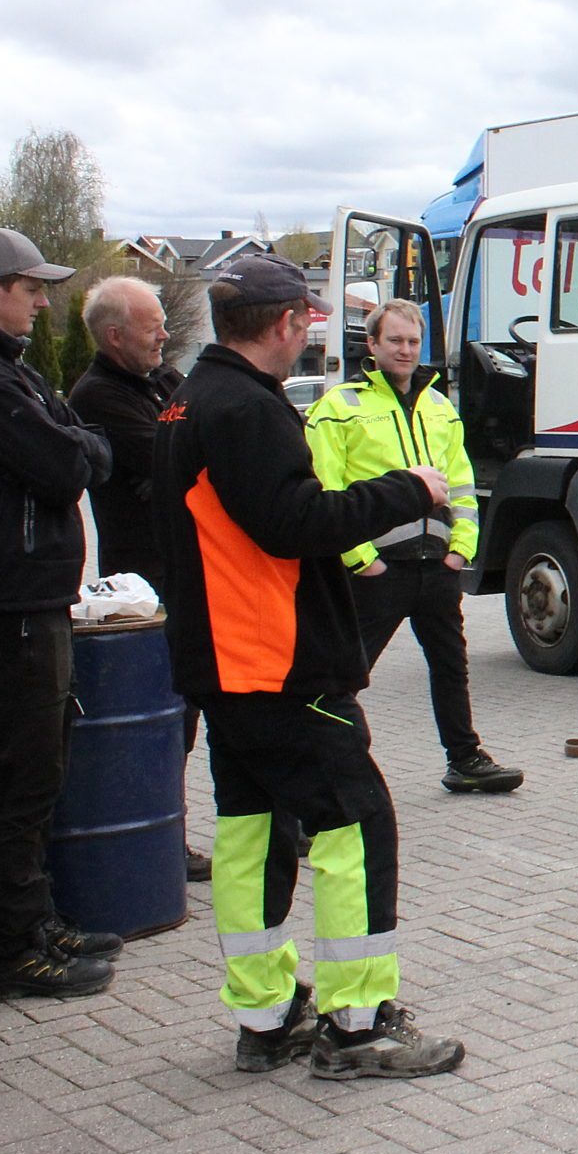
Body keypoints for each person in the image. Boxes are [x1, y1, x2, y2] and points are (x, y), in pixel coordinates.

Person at [154, 254, 467, 1079]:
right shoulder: (246, 409)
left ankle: (265, 1017)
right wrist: (407, 490)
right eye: (307, 321)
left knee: (251, 832)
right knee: (354, 824)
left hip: (226, 664)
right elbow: (294, 521)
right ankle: (356, 1026)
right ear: (288, 324)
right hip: (276, 662)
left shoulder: (189, 400)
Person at [0, 228, 122, 1000]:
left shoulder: (11, 370)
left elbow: (89, 446)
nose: (43, 304)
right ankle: (10, 951)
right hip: (7, 603)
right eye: (32, 289)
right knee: (23, 778)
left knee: (41, 771)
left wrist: (76, 446)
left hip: (33, 597)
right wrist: (75, 447)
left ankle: (33, 921)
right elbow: (69, 461)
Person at [306, 300, 522, 795]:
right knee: (343, 676)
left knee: (451, 668)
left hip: (437, 567)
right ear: (372, 344)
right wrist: (361, 560)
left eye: (413, 341)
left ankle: (465, 759)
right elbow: (326, 488)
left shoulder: (439, 406)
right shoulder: (339, 407)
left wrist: (461, 549)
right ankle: (315, 779)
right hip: (377, 571)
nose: (405, 350)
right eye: (395, 341)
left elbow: (461, 482)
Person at [69, 274, 211, 881]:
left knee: (207, 705)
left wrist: (180, 463)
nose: (165, 336)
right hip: (146, 584)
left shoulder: (163, 379)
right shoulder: (98, 395)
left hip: (191, 568)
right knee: (167, 717)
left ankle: (265, 822)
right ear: (114, 335)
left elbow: (202, 441)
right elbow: (172, 456)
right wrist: (176, 465)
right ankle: (162, 836)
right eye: (153, 327)